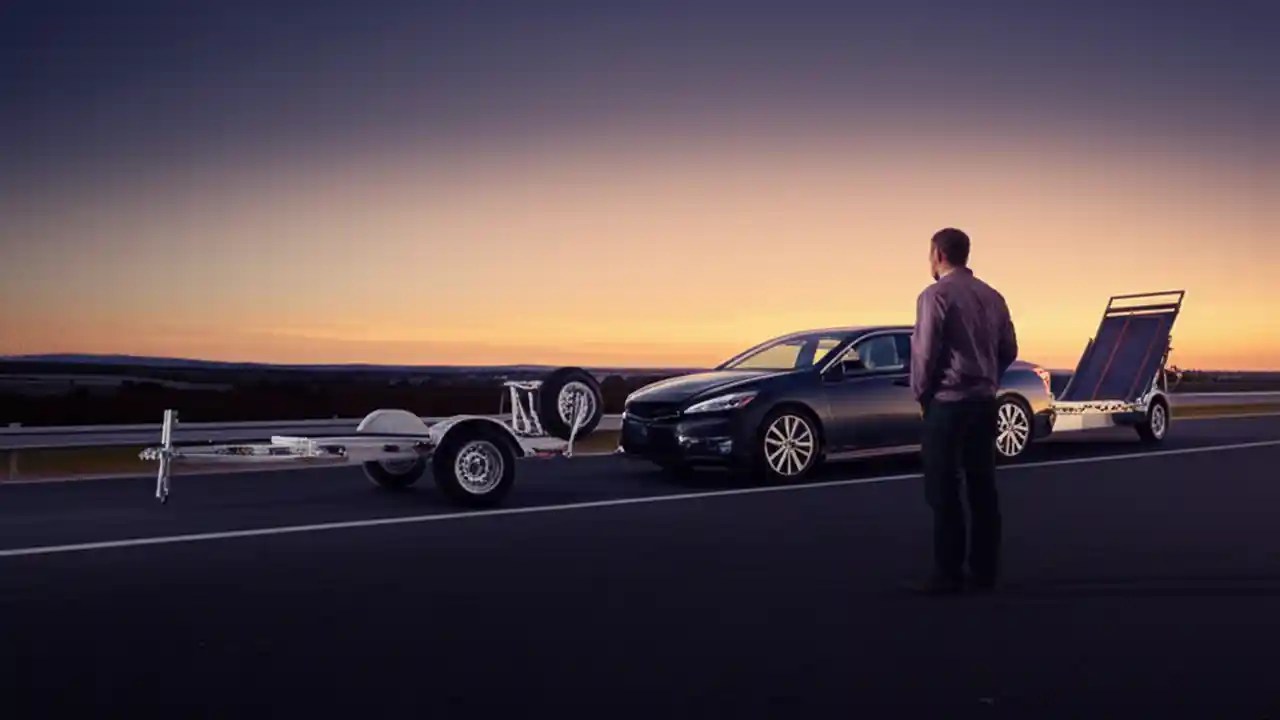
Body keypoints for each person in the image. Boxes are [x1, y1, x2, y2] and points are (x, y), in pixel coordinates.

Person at [907, 228, 1018, 595]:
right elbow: (1010, 348)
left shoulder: (934, 296)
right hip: (984, 402)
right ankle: (986, 570)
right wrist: (990, 379)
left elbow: (925, 352)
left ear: (938, 254)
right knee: (982, 485)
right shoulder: (993, 296)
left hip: (949, 403)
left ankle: (948, 572)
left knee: (943, 488)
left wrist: (922, 395)